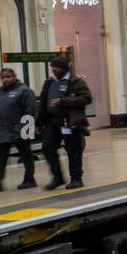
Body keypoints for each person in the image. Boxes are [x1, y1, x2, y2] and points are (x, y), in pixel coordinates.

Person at [38, 55, 93, 190]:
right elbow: (42, 102)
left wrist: (64, 101)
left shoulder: (76, 82)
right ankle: (58, 177)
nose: (54, 70)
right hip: (52, 121)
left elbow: (87, 98)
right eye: (53, 67)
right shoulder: (49, 82)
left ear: (64, 68)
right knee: (47, 147)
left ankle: (76, 178)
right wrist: (38, 122)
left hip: (69, 121)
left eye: (57, 67)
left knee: (73, 150)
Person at [0, 68, 38, 192]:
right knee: (0, 158)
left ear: (14, 77)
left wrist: (28, 129)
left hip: (19, 129)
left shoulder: (24, 91)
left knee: (26, 155)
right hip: (2, 130)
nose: (6, 79)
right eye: (3, 77)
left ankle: (29, 179)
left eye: (8, 77)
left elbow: (31, 109)